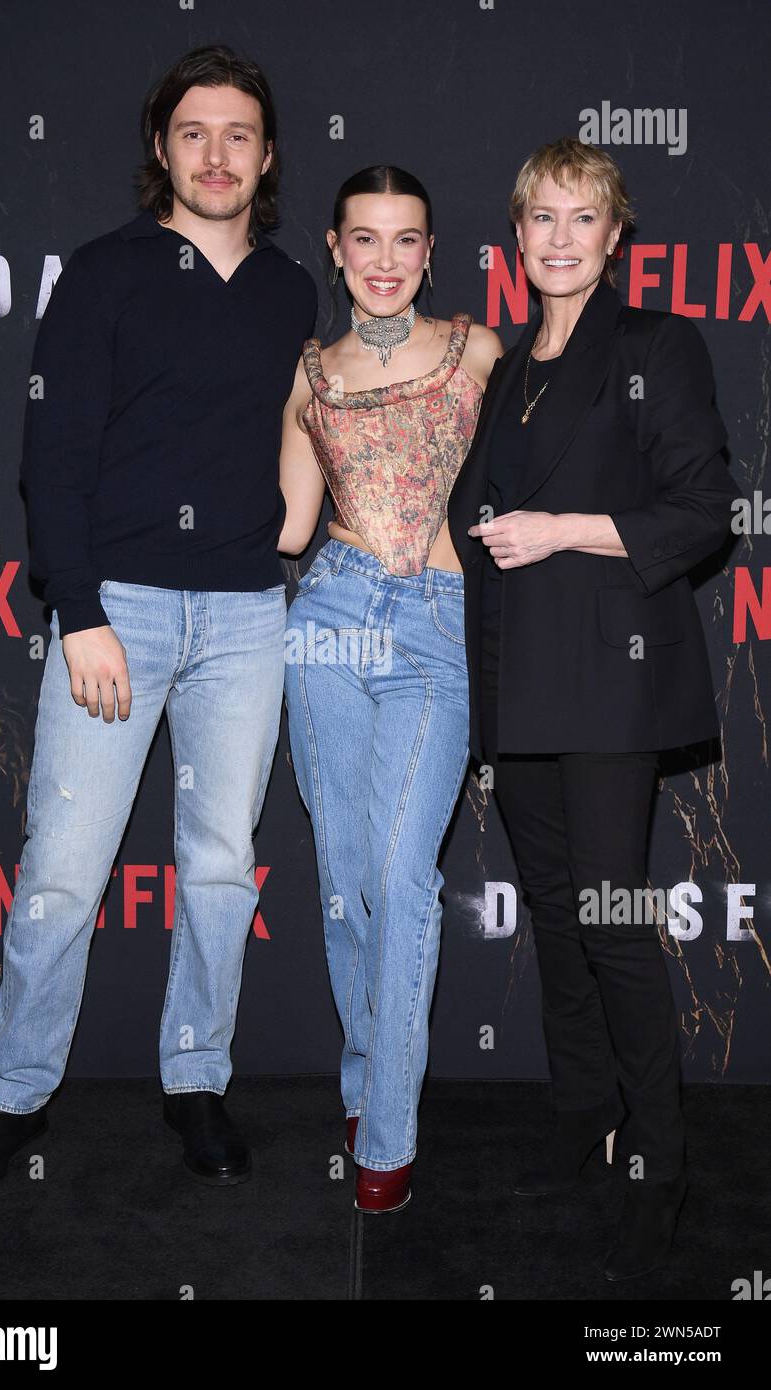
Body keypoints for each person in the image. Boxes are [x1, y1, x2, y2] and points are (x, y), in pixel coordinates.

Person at [0, 45, 318, 1203]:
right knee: (59, 870)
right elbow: (53, 453)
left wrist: (292, 530)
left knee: (213, 869)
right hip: (120, 615)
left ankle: (196, 1080)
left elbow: (300, 424)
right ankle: (13, 1096)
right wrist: (81, 608)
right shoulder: (103, 273)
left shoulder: (293, 287)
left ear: (267, 155)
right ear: (162, 148)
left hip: (248, 617)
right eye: (194, 132)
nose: (216, 153)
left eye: (238, 134)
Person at [446, 136, 738, 1277]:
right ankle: (586, 1118)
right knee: (561, 925)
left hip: (609, 690)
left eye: (583, 220)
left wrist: (561, 531)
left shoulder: (656, 345)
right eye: (541, 220)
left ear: (614, 238)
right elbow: (473, 531)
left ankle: (658, 1163)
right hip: (519, 691)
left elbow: (701, 508)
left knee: (613, 922)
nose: (560, 239)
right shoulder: (511, 371)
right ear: (515, 239)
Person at [278, 166, 502, 1213]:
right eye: (362, 239)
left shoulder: (477, 351)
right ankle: (368, 1079)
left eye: (403, 239)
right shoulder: (307, 374)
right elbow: (285, 526)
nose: (381, 259)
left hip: (434, 627)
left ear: (428, 252)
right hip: (324, 618)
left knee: (406, 875)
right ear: (334, 247)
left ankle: (387, 1131)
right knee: (346, 874)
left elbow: (537, 472)